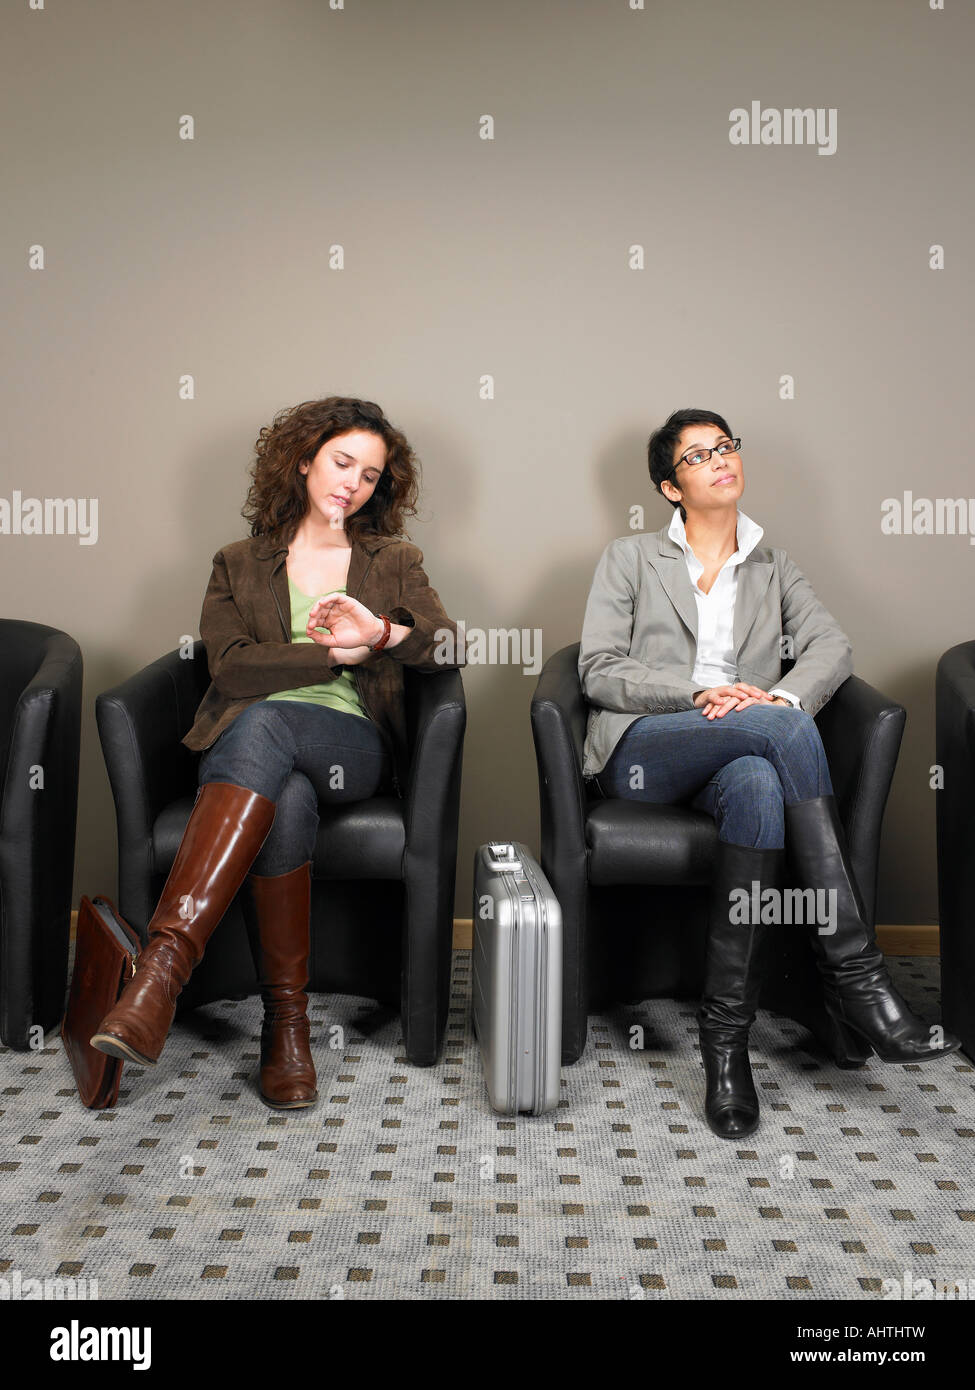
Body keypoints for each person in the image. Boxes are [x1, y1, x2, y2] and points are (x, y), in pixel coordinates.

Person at [578, 407, 960, 1140]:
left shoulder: (772, 565)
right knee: (779, 729)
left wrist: (774, 698)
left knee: (758, 780)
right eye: (697, 455)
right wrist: (695, 694)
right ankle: (855, 975)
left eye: (725, 445)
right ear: (669, 487)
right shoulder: (629, 559)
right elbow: (598, 670)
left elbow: (830, 647)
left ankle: (726, 1052)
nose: (719, 458)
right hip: (645, 748)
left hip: (741, 748)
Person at [91, 396, 463, 1108]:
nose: (351, 484)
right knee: (282, 788)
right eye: (340, 462)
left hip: (347, 745)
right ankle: (285, 1028)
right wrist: (332, 656)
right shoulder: (237, 562)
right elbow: (229, 668)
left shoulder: (393, 561)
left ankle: (159, 975)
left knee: (266, 727)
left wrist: (378, 634)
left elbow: (446, 645)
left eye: (369, 475)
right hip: (249, 749)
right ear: (303, 462)